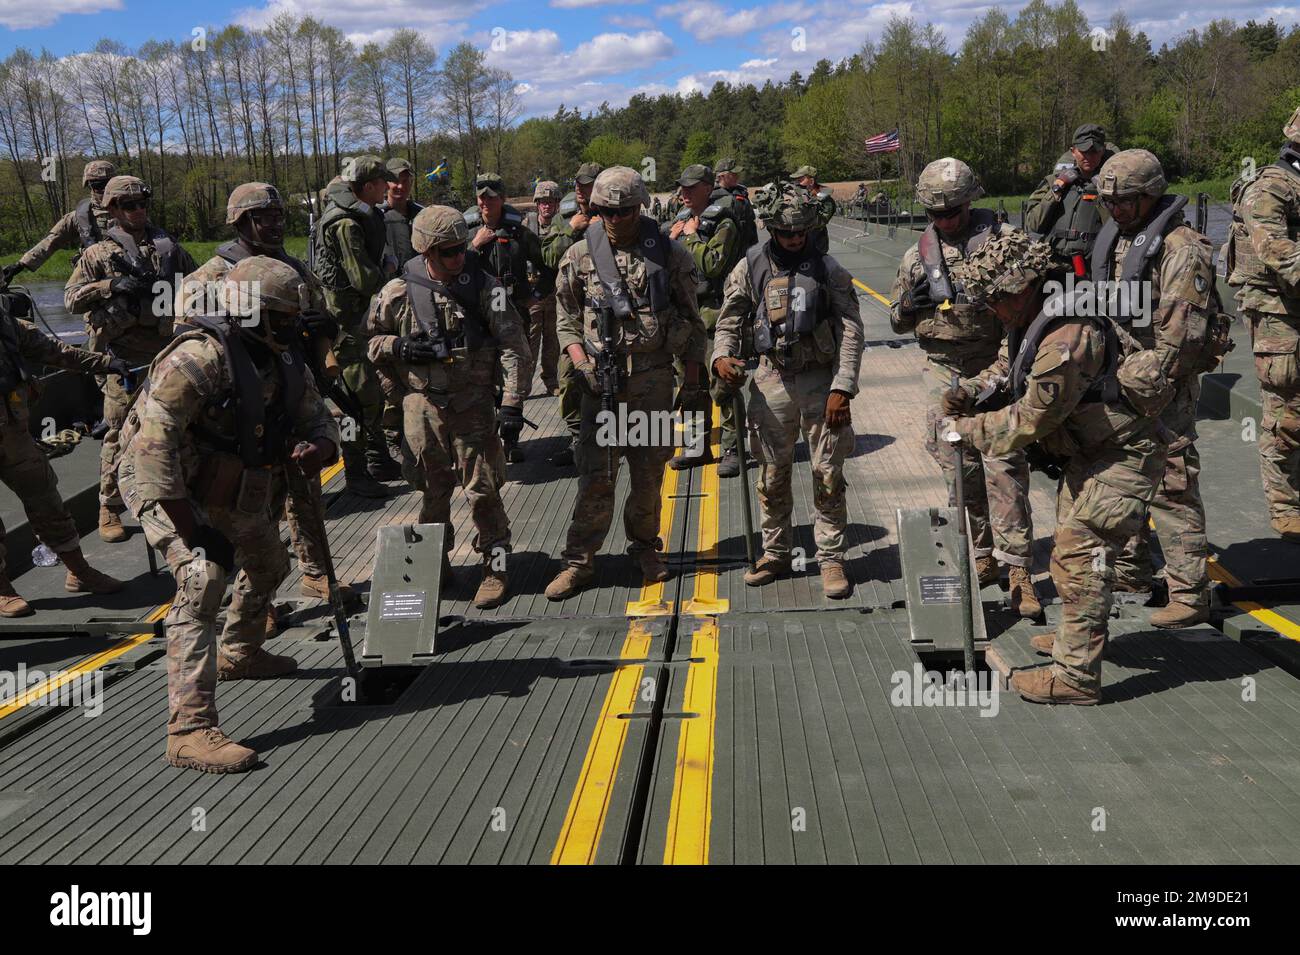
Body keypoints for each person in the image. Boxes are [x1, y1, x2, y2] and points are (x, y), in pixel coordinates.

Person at [116, 256, 340, 771]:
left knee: (268, 563)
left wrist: (320, 449)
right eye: (284, 318)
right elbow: (154, 455)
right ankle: (189, 730)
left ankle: (240, 651)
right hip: (159, 482)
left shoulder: (282, 360)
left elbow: (318, 417)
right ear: (253, 314)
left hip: (222, 477)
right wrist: (194, 533)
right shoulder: (195, 361)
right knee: (203, 577)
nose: (293, 328)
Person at [943, 231, 1166, 704]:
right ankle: (1075, 643)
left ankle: (1075, 680)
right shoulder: (1033, 320)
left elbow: (1028, 421)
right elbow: (1006, 369)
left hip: (1123, 457)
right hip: (1091, 454)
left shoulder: (1067, 339)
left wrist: (966, 428)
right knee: (1078, 557)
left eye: (996, 300)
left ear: (1022, 288)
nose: (992, 310)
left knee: (1077, 557)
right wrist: (971, 391)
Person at [175, 182, 356, 607]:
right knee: (249, 503)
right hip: (239, 400)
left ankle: (316, 573)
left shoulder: (293, 269)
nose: (274, 225)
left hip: (293, 387)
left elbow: (326, 319)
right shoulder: (209, 278)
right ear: (241, 223)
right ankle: (256, 599)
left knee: (306, 489)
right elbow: (188, 340)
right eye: (263, 218)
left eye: (278, 217)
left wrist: (324, 329)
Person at [544, 166, 707, 599]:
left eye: (626, 211)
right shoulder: (579, 256)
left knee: (649, 473)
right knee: (596, 475)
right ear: (595, 209)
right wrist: (580, 362)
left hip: (652, 384)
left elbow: (693, 324)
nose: (617, 220)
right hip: (600, 384)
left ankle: (645, 547)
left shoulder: (671, 257)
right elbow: (564, 320)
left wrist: (692, 385)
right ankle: (579, 561)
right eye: (607, 212)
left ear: (641, 207)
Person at [890, 158, 1039, 617]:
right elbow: (897, 322)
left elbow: (1026, 320)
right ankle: (980, 555)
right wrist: (908, 307)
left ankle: (1019, 571)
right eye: (936, 214)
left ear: (970, 201)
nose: (946, 221)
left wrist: (992, 381)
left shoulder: (1002, 247)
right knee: (959, 467)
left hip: (995, 362)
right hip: (941, 366)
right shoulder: (919, 255)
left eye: (953, 210)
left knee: (1004, 468)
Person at [368, 206, 533, 609]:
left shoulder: (485, 288)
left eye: (461, 248)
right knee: (432, 490)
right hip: (422, 406)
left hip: (472, 402)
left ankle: (495, 566)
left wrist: (511, 402)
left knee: (483, 491)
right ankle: (431, 563)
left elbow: (514, 346)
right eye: (447, 252)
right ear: (426, 251)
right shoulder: (397, 292)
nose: (458, 257)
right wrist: (400, 345)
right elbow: (372, 344)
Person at [1091, 149, 1225, 626]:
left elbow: (1180, 336)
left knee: (1172, 480)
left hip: (1162, 381)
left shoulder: (1183, 247)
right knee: (1121, 475)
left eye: (1125, 200)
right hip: (1121, 374)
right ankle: (1132, 569)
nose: (1116, 209)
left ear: (1150, 196)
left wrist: (1143, 385)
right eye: (1109, 201)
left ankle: (1189, 592)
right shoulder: (1121, 237)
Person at [711, 184, 864, 598]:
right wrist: (722, 357)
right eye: (786, 232)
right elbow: (729, 319)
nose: (796, 239)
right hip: (771, 379)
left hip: (820, 382)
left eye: (801, 232)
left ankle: (831, 558)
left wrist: (843, 386)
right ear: (771, 228)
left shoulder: (828, 268)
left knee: (828, 473)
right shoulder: (750, 266)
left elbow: (851, 327)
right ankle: (776, 553)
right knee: (771, 474)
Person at [65, 175, 198, 544]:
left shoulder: (168, 245)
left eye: (142, 203)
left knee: (179, 426)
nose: (138, 210)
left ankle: (180, 497)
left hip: (166, 351)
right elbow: (71, 299)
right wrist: (109, 286)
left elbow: (199, 281)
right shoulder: (98, 254)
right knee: (119, 432)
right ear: (112, 210)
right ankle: (108, 506)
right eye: (129, 205)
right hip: (122, 358)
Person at [0, 290, 127, 616]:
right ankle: (2, 590)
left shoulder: (7, 325)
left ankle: (79, 571)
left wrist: (107, 363)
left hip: (13, 433)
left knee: (46, 498)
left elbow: (56, 352)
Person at [1227, 106, 1300, 541]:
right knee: (1287, 412)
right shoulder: (1270, 188)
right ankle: (1285, 504)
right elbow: (1276, 251)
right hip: (1280, 316)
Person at [313, 154, 398, 496]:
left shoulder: (357, 215)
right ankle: (356, 471)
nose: (388, 187)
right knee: (353, 403)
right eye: (382, 182)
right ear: (367, 187)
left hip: (358, 322)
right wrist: (389, 271)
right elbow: (362, 279)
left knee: (371, 395)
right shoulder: (346, 224)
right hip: (346, 327)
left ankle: (377, 458)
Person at [669, 163, 745, 476]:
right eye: (682, 188)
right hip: (684, 314)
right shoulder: (680, 221)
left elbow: (714, 264)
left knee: (723, 382)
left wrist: (688, 239)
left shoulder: (723, 221)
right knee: (690, 385)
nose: (684, 193)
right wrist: (670, 239)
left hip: (714, 313)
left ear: (707, 187)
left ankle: (733, 448)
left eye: (691, 187)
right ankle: (698, 445)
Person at [465, 173, 543, 464]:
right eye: (481, 196)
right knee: (485, 380)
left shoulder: (519, 232)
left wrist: (536, 294)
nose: (486, 201)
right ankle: (488, 440)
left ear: (502, 198)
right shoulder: (468, 231)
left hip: (514, 315)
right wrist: (475, 244)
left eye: (492, 196)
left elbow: (545, 262)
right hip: (480, 319)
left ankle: (511, 439)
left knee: (515, 376)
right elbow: (451, 266)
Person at [542, 162, 603, 467]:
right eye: (578, 184)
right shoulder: (564, 218)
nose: (580, 189)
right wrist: (571, 230)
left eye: (587, 184)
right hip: (572, 309)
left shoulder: (613, 213)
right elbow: (549, 256)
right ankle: (578, 437)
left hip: (605, 307)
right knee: (569, 376)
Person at [3, 159, 117, 285]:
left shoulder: (132, 209)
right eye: (96, 185)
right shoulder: (79, 216)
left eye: (106, 184)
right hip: (96, 280)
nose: (102, 189)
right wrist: (20, 265)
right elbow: (50, 242)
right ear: (89, 185)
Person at [1024, 123, 1116, 279]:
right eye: (1083, 151)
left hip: (1091, 270)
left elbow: (1117, 228)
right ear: (1073, 151)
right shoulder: (1053, 181)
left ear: (1102, 152)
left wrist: (1103, 192)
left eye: (1094, 151)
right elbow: (1033, 224)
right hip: (1053, 266)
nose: (1088, 156)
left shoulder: (1113, 187)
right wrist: (1056, 189)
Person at [525, 180, 563, 396]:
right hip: (533, 291)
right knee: (530, 339)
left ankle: (550, 379)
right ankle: (524, 383)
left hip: (556, 290)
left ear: (557, 204)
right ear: (537, 204)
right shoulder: (527, 225)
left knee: (553, 340)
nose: (546, 206)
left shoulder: (563, 227)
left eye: (550, 202)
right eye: (543, 202)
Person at [791, 165, 836, 254]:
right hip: (799, 245)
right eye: (797, 180)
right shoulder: (799, 195)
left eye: (800, 180)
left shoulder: (825, 200)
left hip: (816, 244)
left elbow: (821, 222)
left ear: (811, 181)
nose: (797, 183)